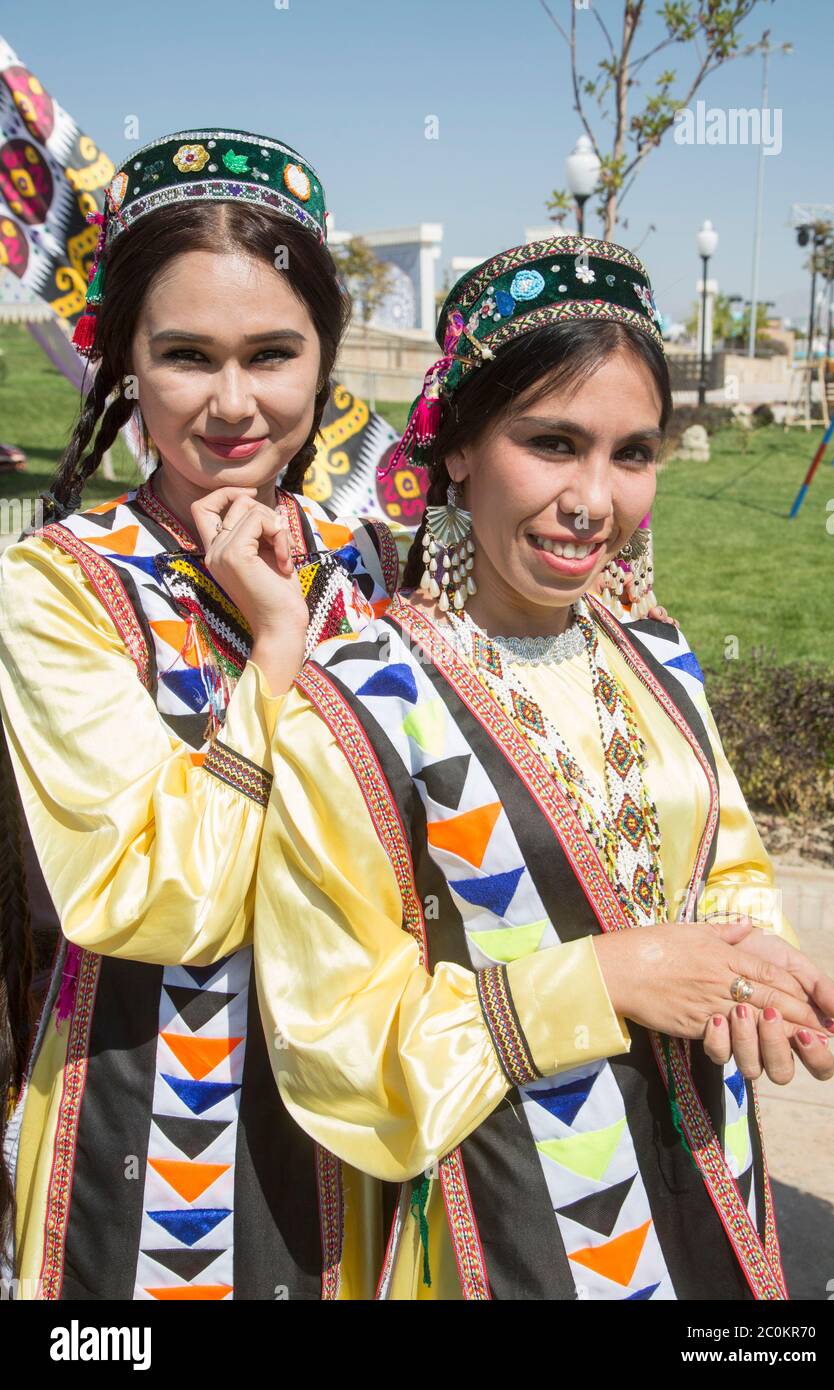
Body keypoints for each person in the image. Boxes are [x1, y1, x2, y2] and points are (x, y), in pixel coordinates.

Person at [251, 235, 834, 1300]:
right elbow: (332, 1037)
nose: (591, 499)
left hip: (704, 1167)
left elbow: (726, 853)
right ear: (458, 446)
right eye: (551, 442)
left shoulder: (652, 652)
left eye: (631, 453)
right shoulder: (351, 705)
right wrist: (607, 979)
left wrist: (753, 960)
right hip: (510, 1217)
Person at [0, 127, 399, 1300]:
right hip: (146, 1131)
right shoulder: (62, 586)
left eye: (272, 353)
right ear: (126, 359)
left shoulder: (376, 566)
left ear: (324, 359)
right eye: (186, 356)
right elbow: (152, 891)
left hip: (368, 1116)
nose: (232, 405)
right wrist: (275, 647)